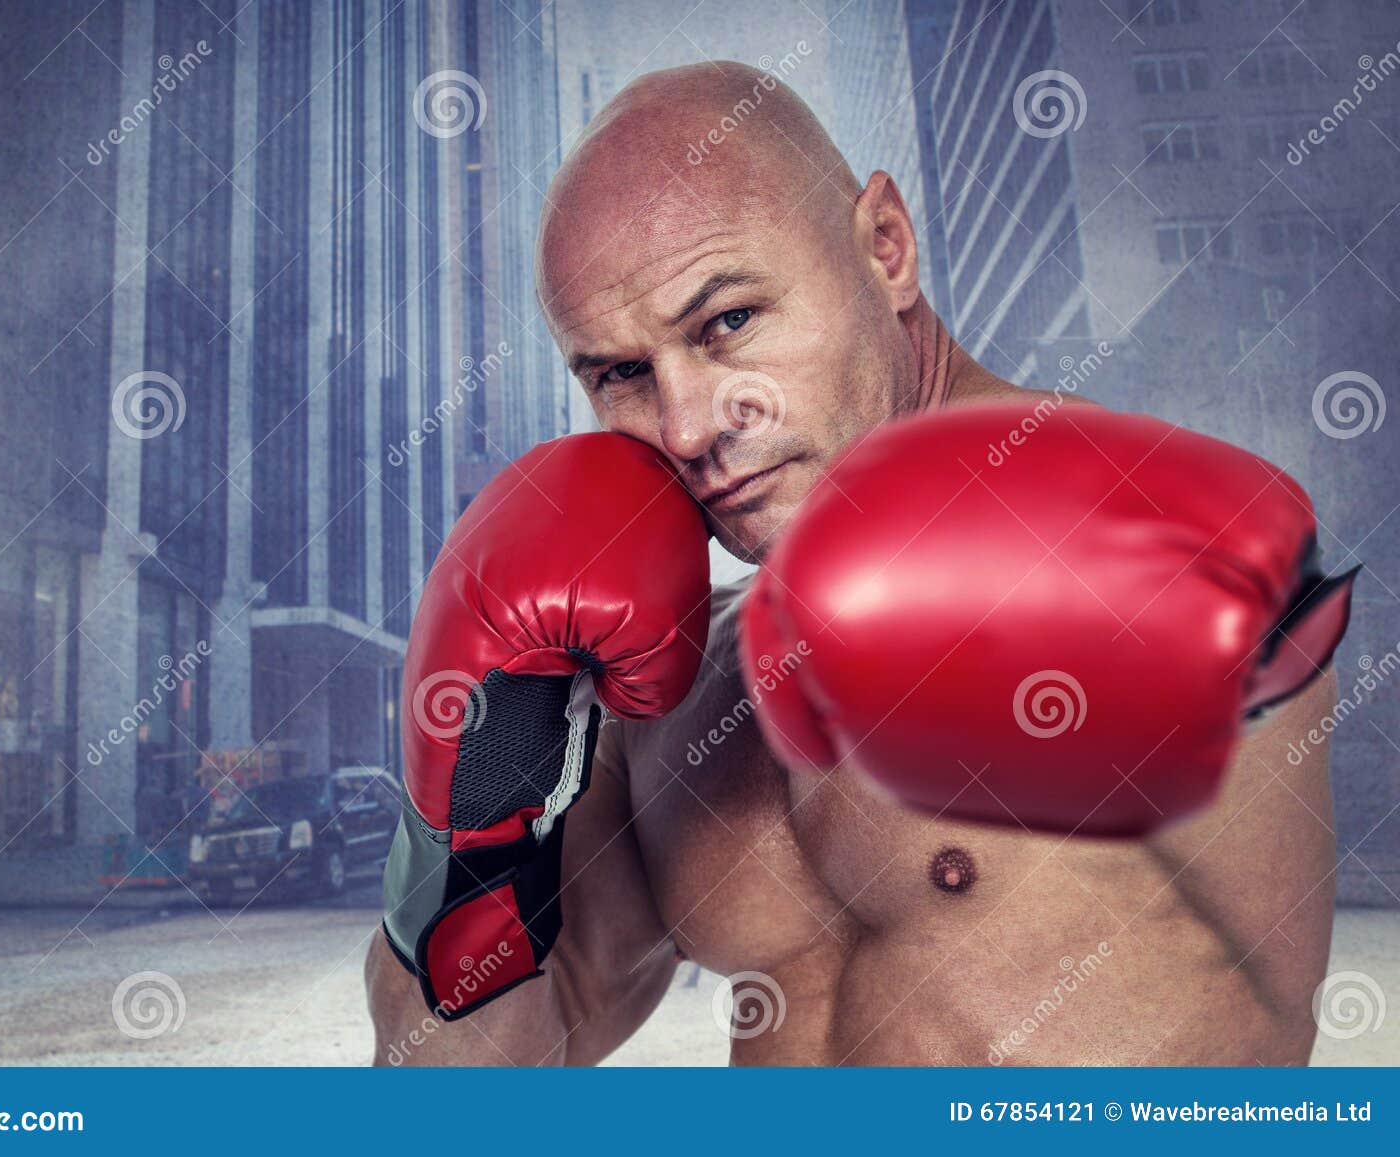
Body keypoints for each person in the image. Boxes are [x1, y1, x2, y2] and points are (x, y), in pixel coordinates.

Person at [366, 62, 1349, 1065]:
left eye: (728, 321)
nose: (690, 425)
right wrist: (469, 812)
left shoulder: (1160, 540)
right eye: (620, 373)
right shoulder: (674, 687)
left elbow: (1264, 1019)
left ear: (885, 247)